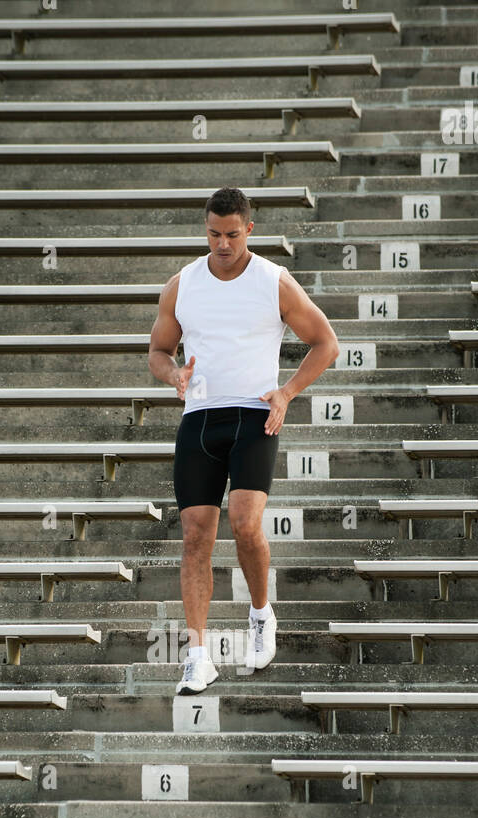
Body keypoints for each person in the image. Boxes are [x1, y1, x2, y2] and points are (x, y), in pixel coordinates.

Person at [147, 185, 340, 693]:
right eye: (214, 234)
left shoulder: (273, 281)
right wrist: (173, 377)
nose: (223, 244)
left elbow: (326, 343)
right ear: (205, 229)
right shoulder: (182, 284)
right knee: (194, 537)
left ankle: (260, 615)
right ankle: (196, 655)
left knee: (245, 524)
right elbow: (157, 352)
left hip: (256, 416)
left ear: (248, 229)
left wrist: (288, 393)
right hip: (201, 421)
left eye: (232, 234)